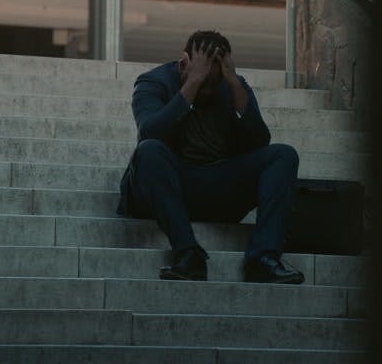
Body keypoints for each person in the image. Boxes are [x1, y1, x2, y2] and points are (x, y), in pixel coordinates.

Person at [116, 30, 305, 284]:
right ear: (184, 64)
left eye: (212, 84)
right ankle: (188, 255)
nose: (208, 90)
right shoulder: (153, 82)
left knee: (283, 155)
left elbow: (260, 142)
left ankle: (263, 259)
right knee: (149, 150)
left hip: (214, 186)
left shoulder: (231, 85)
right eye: (203, 83)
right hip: (163, 189)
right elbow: (150, 132)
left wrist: (235, 85)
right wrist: (192, 84)